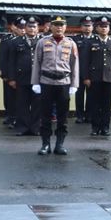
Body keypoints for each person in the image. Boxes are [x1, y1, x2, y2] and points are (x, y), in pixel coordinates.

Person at [31, 16, 79, 156]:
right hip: (46, 82)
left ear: (65, 27)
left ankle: (60, 144)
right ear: (51, 27)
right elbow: (37, 63)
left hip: (63, 83)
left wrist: (74, 84)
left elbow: (75, 64)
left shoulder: (70, 44)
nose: (59, 28)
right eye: (56, 25)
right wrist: (35, 82)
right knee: (45, 115)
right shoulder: (42, 42)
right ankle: (45, 144)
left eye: (61, 25)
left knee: (62, 116)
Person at [83, 17, 111, 137]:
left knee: (106, 105)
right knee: (94, 104)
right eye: (101, 26)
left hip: (109, 78)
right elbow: (85, 61)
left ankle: (105, 127)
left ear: (109, 28)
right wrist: (86, 77)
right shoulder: (90, 43)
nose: (104, 29)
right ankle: (95, 128)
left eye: (106, 26)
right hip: (94, 78)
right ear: (97, 28)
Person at [0, 16, 22, 127]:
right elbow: (2, 56)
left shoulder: (26, 40)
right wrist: (3, 72)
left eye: (23, 27)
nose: (22, 29)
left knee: (21, 98)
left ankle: (18, 118)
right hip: (8, 73)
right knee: (9, 97)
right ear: (13, 27)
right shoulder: (6, 39)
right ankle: (10, 116)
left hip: (21, 73)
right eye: (19, 27)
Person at [71, 16, 94, 123]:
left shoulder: (96, 40)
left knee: (91, 96)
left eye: (89, 26)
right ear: (81, 27)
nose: (87, 28)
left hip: (93, 73)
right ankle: (79, 115)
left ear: (93, 27)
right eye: (85, 26)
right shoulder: (75, 40)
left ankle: (89, 115)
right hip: (78, 72)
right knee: (79, 95)